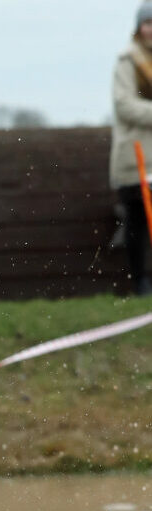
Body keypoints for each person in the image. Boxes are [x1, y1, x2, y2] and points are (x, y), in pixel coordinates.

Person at [111, 1, 152, 296]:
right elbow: (124, 105)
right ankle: (141, 282)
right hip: (136, 156)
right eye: (147, 24)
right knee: (137, 221)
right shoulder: (128, 61)